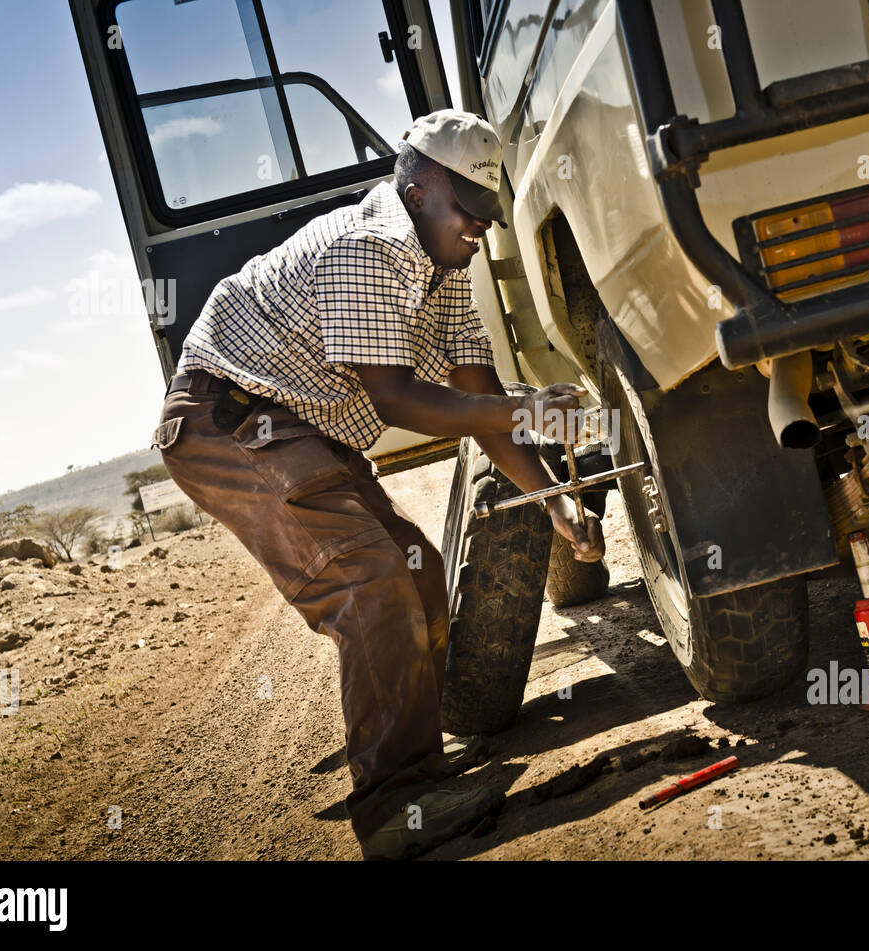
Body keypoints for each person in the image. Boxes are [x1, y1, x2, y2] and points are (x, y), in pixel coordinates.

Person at [149, 109, 605, 860]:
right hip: (227, 419)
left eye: (490, 213)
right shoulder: (365, 247)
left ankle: (417, 767)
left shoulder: (446, 266)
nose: (480, 228)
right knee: (370, 581)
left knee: (419, 577)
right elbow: (397, 399)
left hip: (299, 421)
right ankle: (395, 806)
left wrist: (555, 500)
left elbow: (477, 401)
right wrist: (527, 405)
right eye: (469, 207)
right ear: (417, 184)